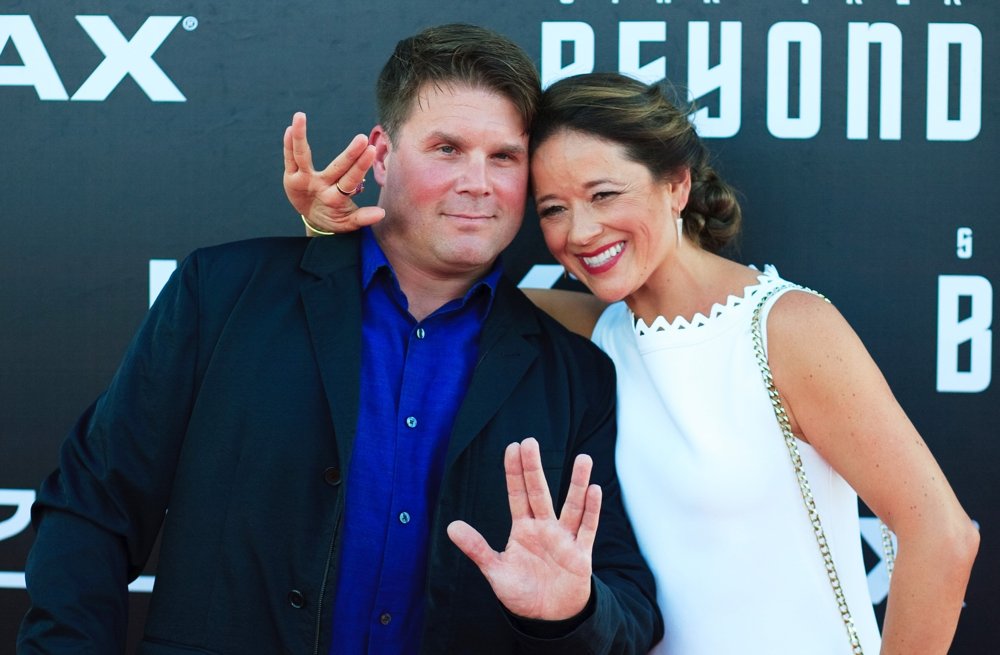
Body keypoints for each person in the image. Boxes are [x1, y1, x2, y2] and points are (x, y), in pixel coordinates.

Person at [17, 28, 662, 655]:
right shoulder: (222, 294)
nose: (478, 182)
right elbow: (92, 508)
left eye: (504, 157)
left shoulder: (575, 374)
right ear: (382, 155)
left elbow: (629, 609)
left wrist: (567, 613)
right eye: (446, 148)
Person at [292, 72, 980, 655]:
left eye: (604, 194)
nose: (580, 232)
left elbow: (941, 536)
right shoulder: (585, 332)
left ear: (676, 185)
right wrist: (328, 229)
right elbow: (426, 284)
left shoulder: (785, 327)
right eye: (554, 208)